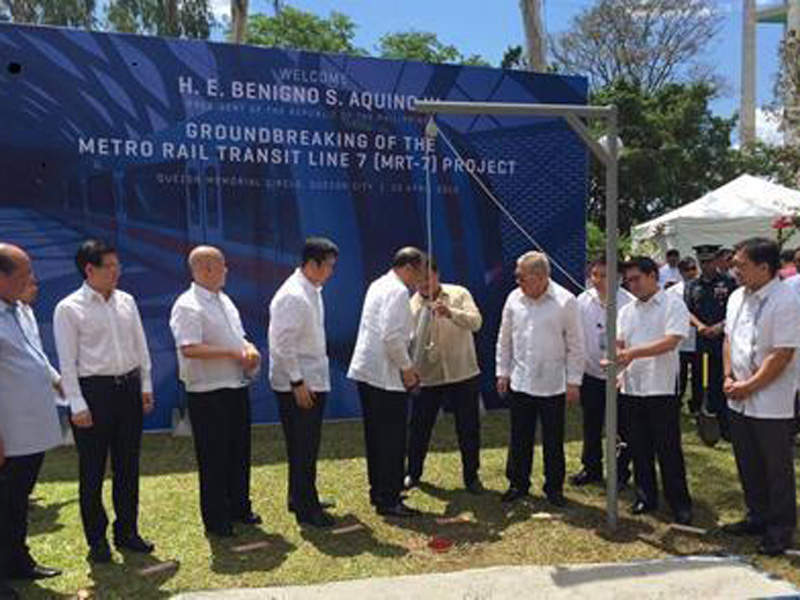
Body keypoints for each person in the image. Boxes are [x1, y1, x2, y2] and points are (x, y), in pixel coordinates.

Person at [53, 240, 155, 562]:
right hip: (93, 393)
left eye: (117, 265)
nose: (116, 272)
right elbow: (67, 363)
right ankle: (96, 539)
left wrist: (146, 385)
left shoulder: (127, 301)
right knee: (93, 469)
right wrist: (77, 404)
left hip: (128, 387)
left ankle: (127, 531)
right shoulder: (69, 308)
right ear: (89, 270)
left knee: (128, 464)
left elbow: (141, 346)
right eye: (109, 266)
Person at [169, 246, 261, 538]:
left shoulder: (224, 300)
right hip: (208, 391)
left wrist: (248, 349)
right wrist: (234, 353)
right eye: (222, 266)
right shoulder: (188, 305)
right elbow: (190, 348)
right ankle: (217, 518)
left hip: (234, 384)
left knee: (238, 451)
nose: (226, 271)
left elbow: (239, 336)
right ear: (206, 269)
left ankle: (239, 507)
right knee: (213, 456)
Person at [722, 237, 800, 556]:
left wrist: (750, 385)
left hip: (771, 398)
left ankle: (780, 529)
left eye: (741, 265)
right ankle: (757, 515)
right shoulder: (737, 297)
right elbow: (728, 339)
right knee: (747, 460)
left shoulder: (787, 300)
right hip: (738, 394)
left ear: (764, 267)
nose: (734, 270)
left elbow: (782, 354)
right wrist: (728, 376)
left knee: (776, 465)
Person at [496, 251, 584, 507]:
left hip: (553, 382)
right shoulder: (514, 298)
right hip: (521, 379)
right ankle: (517, 483)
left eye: (521, 277)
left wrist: (574, 381)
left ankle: (553, 487)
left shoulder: (566, 301)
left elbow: (576, 344)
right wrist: (503, 372)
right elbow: (504, 338)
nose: (517, 282)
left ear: (540, 277)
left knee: (553, 438)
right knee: (519, 436)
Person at [0, 244, 62, 600]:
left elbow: (33, 356)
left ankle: (17, 561)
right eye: (23, 276)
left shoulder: (20, 310)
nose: (30, 281)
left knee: (17, 501)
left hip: (31, 428)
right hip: (7, 431)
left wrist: (56, 380)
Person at [348, 247, 426, 517]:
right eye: (421, 270)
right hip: (384, 375)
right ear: (409, 267)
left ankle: (380, 490)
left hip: (369, 373)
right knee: (392, 439)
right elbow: (392, 337)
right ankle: (389, 498)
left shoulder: (379, 284)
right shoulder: (397, 292)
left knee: (376, 436)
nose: (423, 278)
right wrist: (407, 370)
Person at [614, 256, 692, 525]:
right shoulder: (626, 310)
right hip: (633, 387)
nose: (632, 285)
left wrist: (632, 353)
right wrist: (618, 366)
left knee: (668, 448)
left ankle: (679, 502)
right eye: (628, 280)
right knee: (638, 447)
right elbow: (619, 343)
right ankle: (646, 496)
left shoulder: (673, 304)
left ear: (652, 276)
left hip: (661, 386)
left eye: (636, 278)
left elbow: (671, 341)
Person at [268, 237, 339, 528]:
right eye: (329, 266)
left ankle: (300, 497)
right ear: (312, 264)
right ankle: (307, 509)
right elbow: (282, 344)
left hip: (310, 378)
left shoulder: (312, 289)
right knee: (303, 446)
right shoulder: (294, 295)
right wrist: (297, 383)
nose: (331, 272)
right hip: (299, 383)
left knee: (304, 445)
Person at [404, 258, 484, 494]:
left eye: (427, 277)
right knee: (419, 427)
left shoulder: (459, 293)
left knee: (468, 427)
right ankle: (413, 473)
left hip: (463, 373)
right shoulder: (411, 305)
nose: (423, 284)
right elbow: (409, 343)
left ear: (437, 275)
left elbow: (476, 322)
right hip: (429, 377)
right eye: (418, 280)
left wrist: (450, 312)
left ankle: (471, 477)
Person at [569, 256, 634, 488]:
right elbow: (575, 338)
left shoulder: (629, 303)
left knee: (621, 428)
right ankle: (591, 468)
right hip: (592, 374)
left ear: (617, 278)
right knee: (591, 424)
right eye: (594, 275)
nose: (597, 280)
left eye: (604, 275)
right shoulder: (582, 301)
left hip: (620, 378)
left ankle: (620, 473)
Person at [685, 244, 737, 439]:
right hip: (702, 342)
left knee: (723, 381)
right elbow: (687, 310)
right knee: (700, 383)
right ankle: (705, 424)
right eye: (702, 262)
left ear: (716, 261)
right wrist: (699, 326)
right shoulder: (692, 285)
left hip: (724, 342)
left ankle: (726, 427)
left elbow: (735, 310)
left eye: (708, 261)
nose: (705, 265)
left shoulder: (729, 283)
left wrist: (720, 327)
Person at [672, 257, 701, 414]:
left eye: (693, 269)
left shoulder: (701, 287)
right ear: (681, 272)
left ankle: (696, 404)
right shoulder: (673, 291)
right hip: (681, 340)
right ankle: (676, 402)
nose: (691, 273)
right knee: (680, 374)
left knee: (698, 374)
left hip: (699, 338)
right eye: (687, 270)